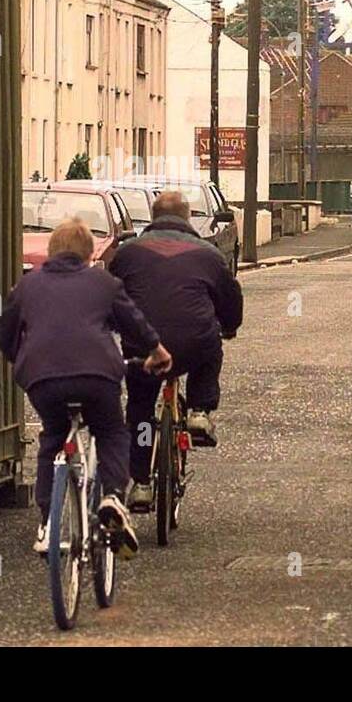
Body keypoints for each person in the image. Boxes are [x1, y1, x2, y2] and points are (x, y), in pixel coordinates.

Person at [0, 217, 172, 557]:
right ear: (89, 254)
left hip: (42, 379)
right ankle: (112, 498)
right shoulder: (103, 282)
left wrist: (21, 361)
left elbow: (6, 337)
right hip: (97, 376)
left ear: (50, 252)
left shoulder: (26, 287)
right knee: (111, 432)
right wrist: (157, 352)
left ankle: (47, 524)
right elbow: (133, 323)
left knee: (53, 437)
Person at [108, 190, 243, 510]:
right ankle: (198, 411)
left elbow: (110, 296)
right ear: (187, 218)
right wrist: (230, 327)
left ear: (154, 218)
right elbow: (230, 297)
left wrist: (116, 327)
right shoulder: (208, 253)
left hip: (144, 347)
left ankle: (140, 484)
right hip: (192, 344)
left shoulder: (128, 252)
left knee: (140, 410)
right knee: (210, 348)